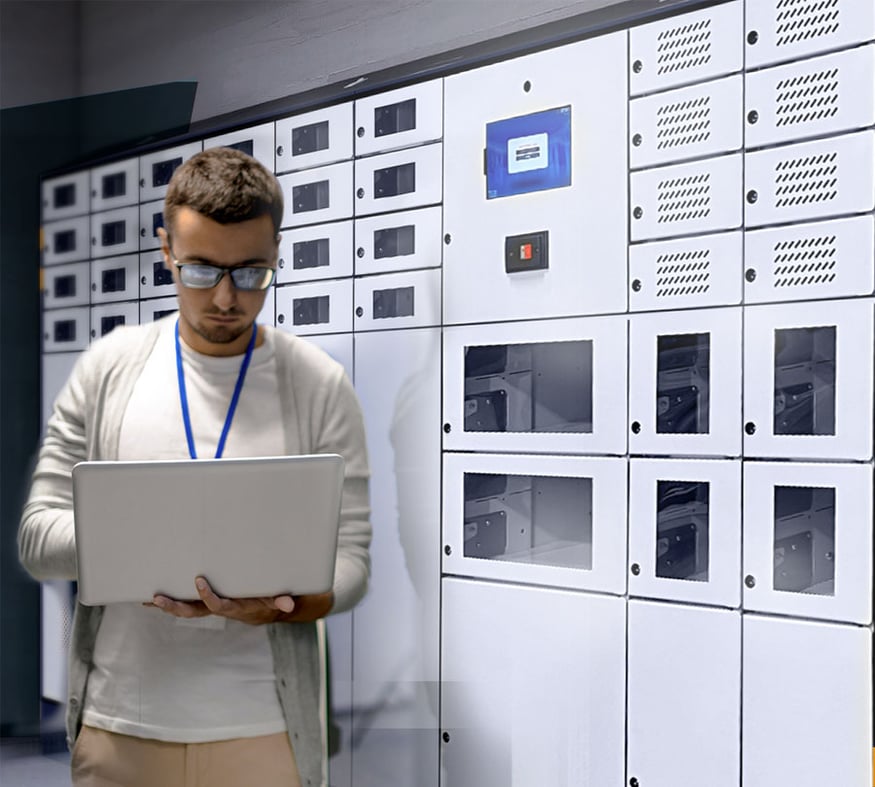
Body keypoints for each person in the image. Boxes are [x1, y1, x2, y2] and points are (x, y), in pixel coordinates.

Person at [18, 147, 371, 787]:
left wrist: (284, 605)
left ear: (276, 254)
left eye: (253, 273)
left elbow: (350, 563)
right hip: (121, 732)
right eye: (202, 270)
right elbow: (38, 537)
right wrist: (145, 539)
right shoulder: (107, 370)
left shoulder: (319, 384)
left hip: (264, 737)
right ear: (166, 251)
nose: (227, 298)